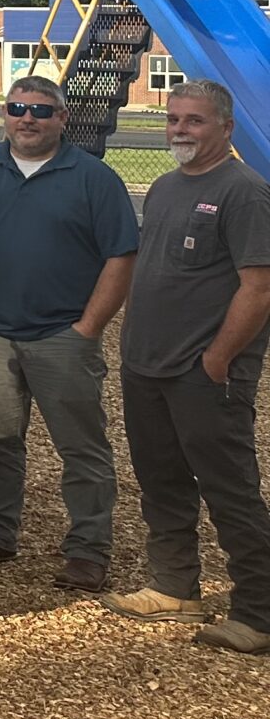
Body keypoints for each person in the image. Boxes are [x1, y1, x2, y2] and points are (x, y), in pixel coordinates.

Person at [0, 75, 137, 591]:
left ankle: (88, 550)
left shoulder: (93, 178)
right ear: (3, 113)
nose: (28, 118)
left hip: (62, 335)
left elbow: (121, 256)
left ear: (63, 118)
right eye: (17, 107)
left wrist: (89, 325)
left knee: (82, 447)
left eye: (42, 110)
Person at [103, 79, 270, 653]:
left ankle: (258, 611)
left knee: (229, 489)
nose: (180, 130)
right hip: (147, 365)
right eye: (174, 119)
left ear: (225, 127)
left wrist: (220, 358)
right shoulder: (170, 187)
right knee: (162, 481)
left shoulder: (243, 192)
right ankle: (175, 587)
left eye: (194, 121)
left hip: (204, 374)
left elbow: (260, 285)